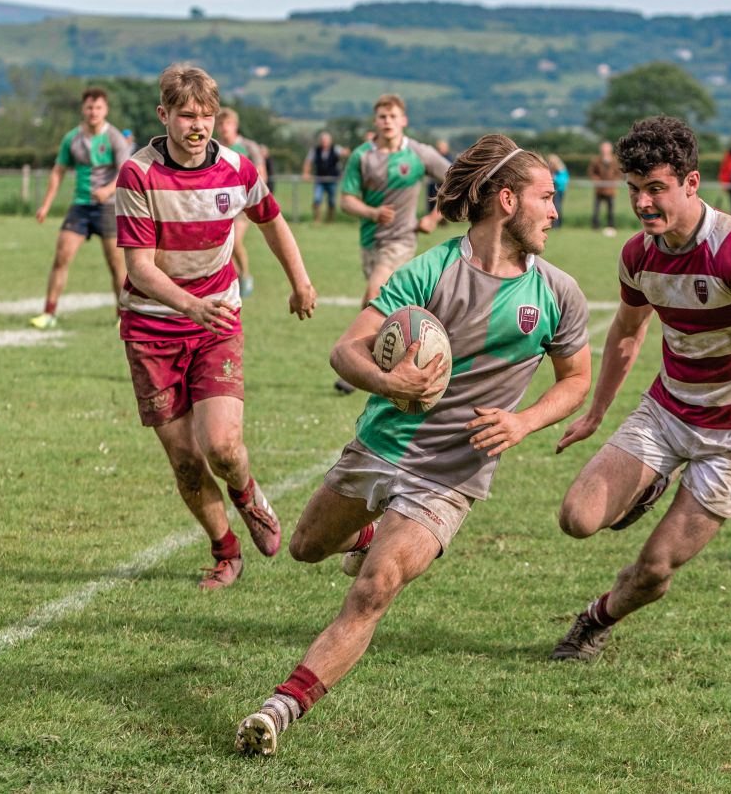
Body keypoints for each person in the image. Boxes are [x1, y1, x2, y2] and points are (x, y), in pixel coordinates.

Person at [234, 134, 591, 756]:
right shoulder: (430, 271)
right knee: (307, 547)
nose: (555, 210)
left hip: (451, 474)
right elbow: (346, 348)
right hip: (380, 446)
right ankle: (368, 532)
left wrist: (525, 422)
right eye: (545, 197)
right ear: (507, 201)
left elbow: (577, 379)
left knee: (374, 589)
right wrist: (385, 379)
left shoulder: (558, 293)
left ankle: (279, 708)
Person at [549, 115, 731, 662]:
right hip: (668, 412)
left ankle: (594, 622)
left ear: (691, 184)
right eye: (635, 189)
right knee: (577, 518)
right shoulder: (639, 254)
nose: (642, 203)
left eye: (657, 189)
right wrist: (596, 412)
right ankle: (653, 479)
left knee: (653, 570)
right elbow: (626, 330)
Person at [115, 63, 317, 590]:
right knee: (185, 460)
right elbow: (139, 267)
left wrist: (299, 280)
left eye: (205, 115)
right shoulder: (138, 174)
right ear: (164, 116)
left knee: (222, 446)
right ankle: (226, 551)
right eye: (186, 115)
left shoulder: (237, 169)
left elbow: (271, 220)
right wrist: (189, 305)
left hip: (216, 321)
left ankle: (248, 495)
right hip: (152, 329)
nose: (197, 125)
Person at [334, 94, 451, 394]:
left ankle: (357, 369)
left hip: (401, 241)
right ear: (375, 121)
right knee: (388, 307)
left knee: (374, 295)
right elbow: (346, 200)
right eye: (382, 117)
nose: (387, 121)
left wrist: (434, 216)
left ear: (404, 120)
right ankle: (401, 360)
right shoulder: (362, 156)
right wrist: (372, 213)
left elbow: (454, 180)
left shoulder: (418, 153)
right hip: (370, 241)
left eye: (393, 116)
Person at [29, 87, 131, 330]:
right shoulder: (72, 138)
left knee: (116, 263)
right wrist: (45, 205)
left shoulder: (115, 138)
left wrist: (107, 190)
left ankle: (124, 316)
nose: (93, 112)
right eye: (89, 107)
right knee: (61, 256)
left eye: (98, 108)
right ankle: (49, 313)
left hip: (108, 207)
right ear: (82, 109)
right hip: (80, 207)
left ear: (105, 110)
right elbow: (58, 171)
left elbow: (126, 172)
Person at [215, 108, 266, 298]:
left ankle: (245, 276)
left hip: (242, 204)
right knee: (222, 246)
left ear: (235, 126)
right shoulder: (214, 147)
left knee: (235, 241)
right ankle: (234, 277)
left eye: (227, 123)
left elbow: (261, 175)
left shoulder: (248, 147)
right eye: (220, 124)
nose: (223, 128)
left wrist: (254, 199)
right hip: (219, 204)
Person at [301, 131, 347, 224]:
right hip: (319, 179)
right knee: (317, 199)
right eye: (323, 140)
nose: (324, 142)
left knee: (331, 201)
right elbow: (308, 162)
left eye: (326, 140)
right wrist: (306, 173)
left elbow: (345, 153)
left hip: (332, 179)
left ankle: (330, 220)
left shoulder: (336, 149)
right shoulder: (315, 150)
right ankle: (317, 220)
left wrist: (346, 153)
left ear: (330, 141)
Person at [587, 141, 622, 235]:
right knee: (596, 210)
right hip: (599, 190)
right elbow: (591, 172)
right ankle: (595, 227)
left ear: (610, 150)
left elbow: (619, 173)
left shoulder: (615, 160)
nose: (605, 151)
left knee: (611, 210)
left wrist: (614, 181)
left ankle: (611, 226)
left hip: (611, 190)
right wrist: (596, 180)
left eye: (606, 149)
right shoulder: (596, 160)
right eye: (603, 149)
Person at [424, 138, 453, 215]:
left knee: (443, 201)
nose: (439, 150)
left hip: (443, 184)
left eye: (441, 148)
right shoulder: (434, 157)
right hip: (433, 183)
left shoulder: (449, 158)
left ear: (446, 148)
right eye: (438, 148)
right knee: (431, 201)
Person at [547, 153, 569, 226]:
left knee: (557, 207)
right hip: (554, 190)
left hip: (559, 190)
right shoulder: (553, 170)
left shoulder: (561, 171)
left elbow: (563, 181)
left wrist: (555, 178)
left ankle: (556, 225)